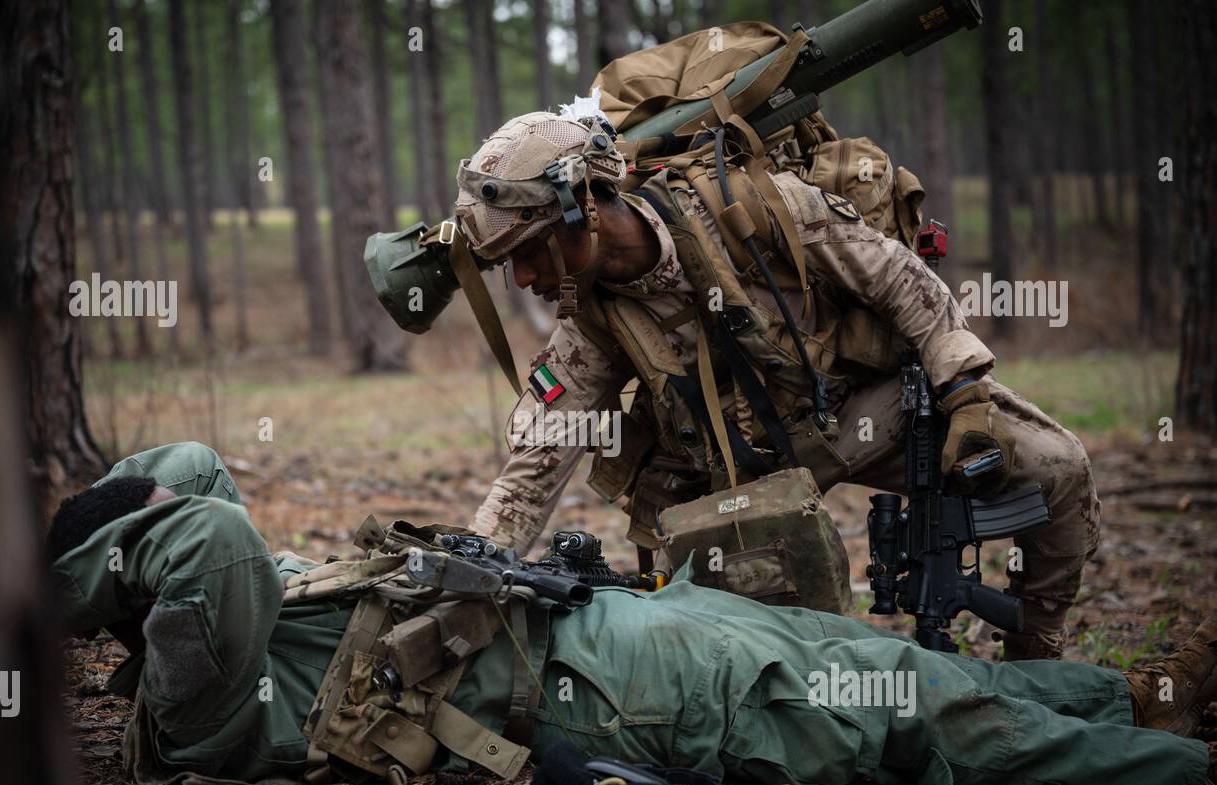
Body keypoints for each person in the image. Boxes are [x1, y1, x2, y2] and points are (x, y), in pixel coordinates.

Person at [49, 442, 1215, 785]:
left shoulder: (229, 601)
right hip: (623, 697)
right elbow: (203, 531)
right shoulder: (191, 700)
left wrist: (109, 515)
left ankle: (1156, 704)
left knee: (904, 662)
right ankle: (1185, 775)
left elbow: (187, 482)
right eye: (139, 540)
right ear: (128, 584)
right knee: (928, 724)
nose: (185, 506)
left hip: (636, 624)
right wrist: (41, 585)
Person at [449, 108, 1100, 661]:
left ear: (583, 209)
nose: (524, 277)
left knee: (1058, 467)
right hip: (733, 484)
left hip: (855, 415)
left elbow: (903, 282)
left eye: (530, 249)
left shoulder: (757, 211)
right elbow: (532, 469)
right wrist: (470, 572)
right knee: (748, 674)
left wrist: (963, 396)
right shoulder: (590, 322)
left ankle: (1036, 663)